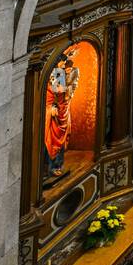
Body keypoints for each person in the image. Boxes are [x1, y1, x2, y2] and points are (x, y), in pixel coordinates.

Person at [44, 52, 78, 181]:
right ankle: (49, 167)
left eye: (64, 63)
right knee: (50, 138)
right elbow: (58, 90)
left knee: (60, 138)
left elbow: (64, 92)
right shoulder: (56, 72)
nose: (64, 65)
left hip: (62, 110)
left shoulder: (61, 72)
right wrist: (53, 105)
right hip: (52, 110)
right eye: (62, 63)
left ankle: (57, 165)